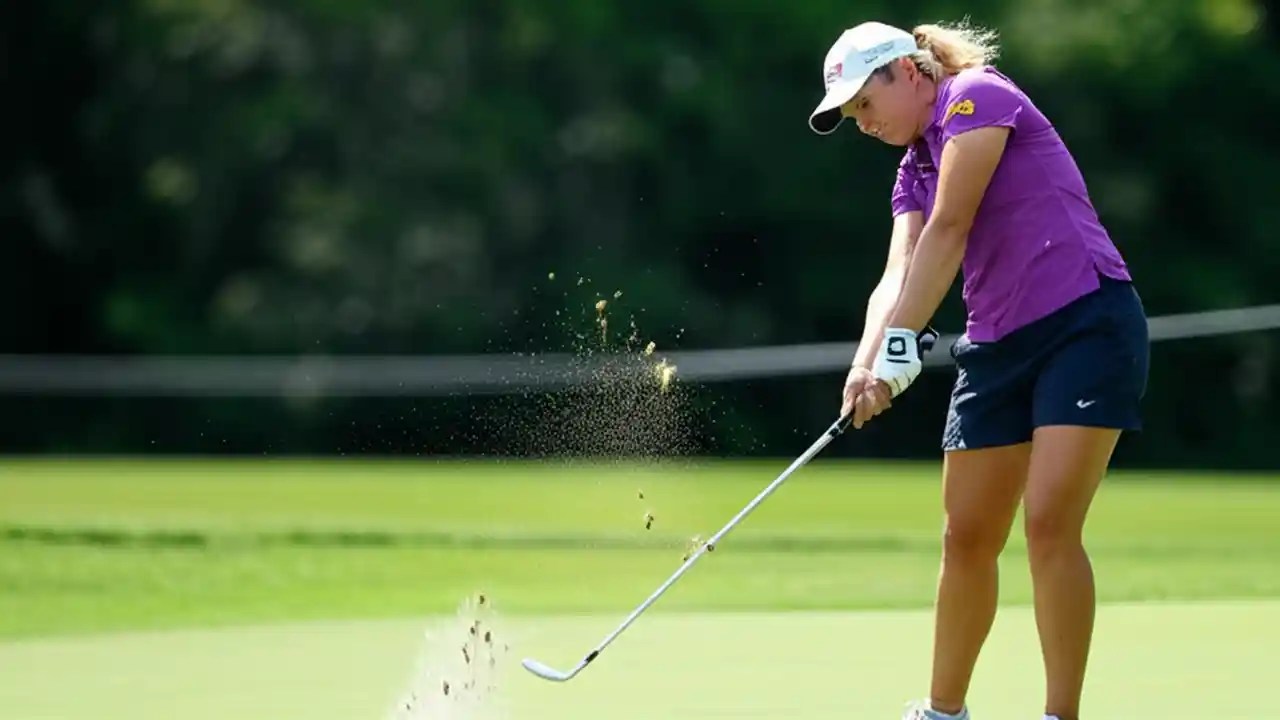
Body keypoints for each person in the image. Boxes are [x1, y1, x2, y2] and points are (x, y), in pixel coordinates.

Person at [806, 19, 1150, 720]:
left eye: (864, 105)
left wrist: (902, 349)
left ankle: (1061, 715)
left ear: (908, 72)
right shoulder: (914, 167)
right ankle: (945, 710)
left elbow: (951, 227)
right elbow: (897, 272)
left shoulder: (975, 96)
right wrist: (866, 361)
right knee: (966, 534)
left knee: (1049, 523)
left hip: (1084, 321)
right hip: (998, 345)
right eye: (850, 117)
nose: (862, 124)